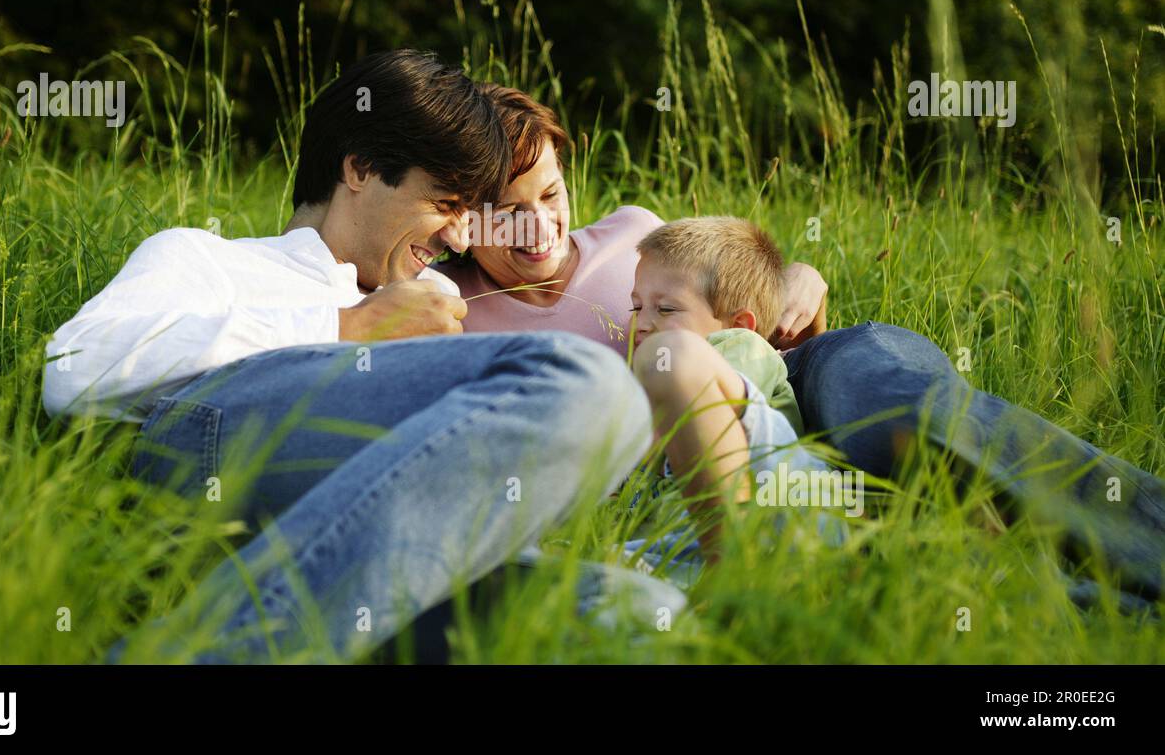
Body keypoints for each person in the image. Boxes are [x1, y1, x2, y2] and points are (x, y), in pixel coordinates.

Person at [42, 51, 658, 662]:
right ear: (360, 168)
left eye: (470, 215)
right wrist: (350, 327)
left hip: (366, 539)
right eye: (446, 204)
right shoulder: (209, 258)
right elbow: (74, 370)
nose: (460, 237)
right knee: (596, 390)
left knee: (638, 618)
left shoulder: (437, 299)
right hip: (213, 452)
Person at [445, 83, 1165, 603]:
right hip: (719, 452)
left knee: (913, 417)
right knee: (919, 545)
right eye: (504, 214)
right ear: (459, 220)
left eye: (550, 194)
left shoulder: (631, 227)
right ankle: (1081, 598)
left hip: (806, 367)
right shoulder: (459, 309)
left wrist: (800, 279)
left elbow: (735, 291)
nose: (539, 227)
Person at [630, 216, 841, 554]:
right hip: (683, 543)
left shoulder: (742, 346)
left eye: (665, 309)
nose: (640, 323)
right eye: (636, 306)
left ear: (740, 323)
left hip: (770, 519)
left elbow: (690, 418)